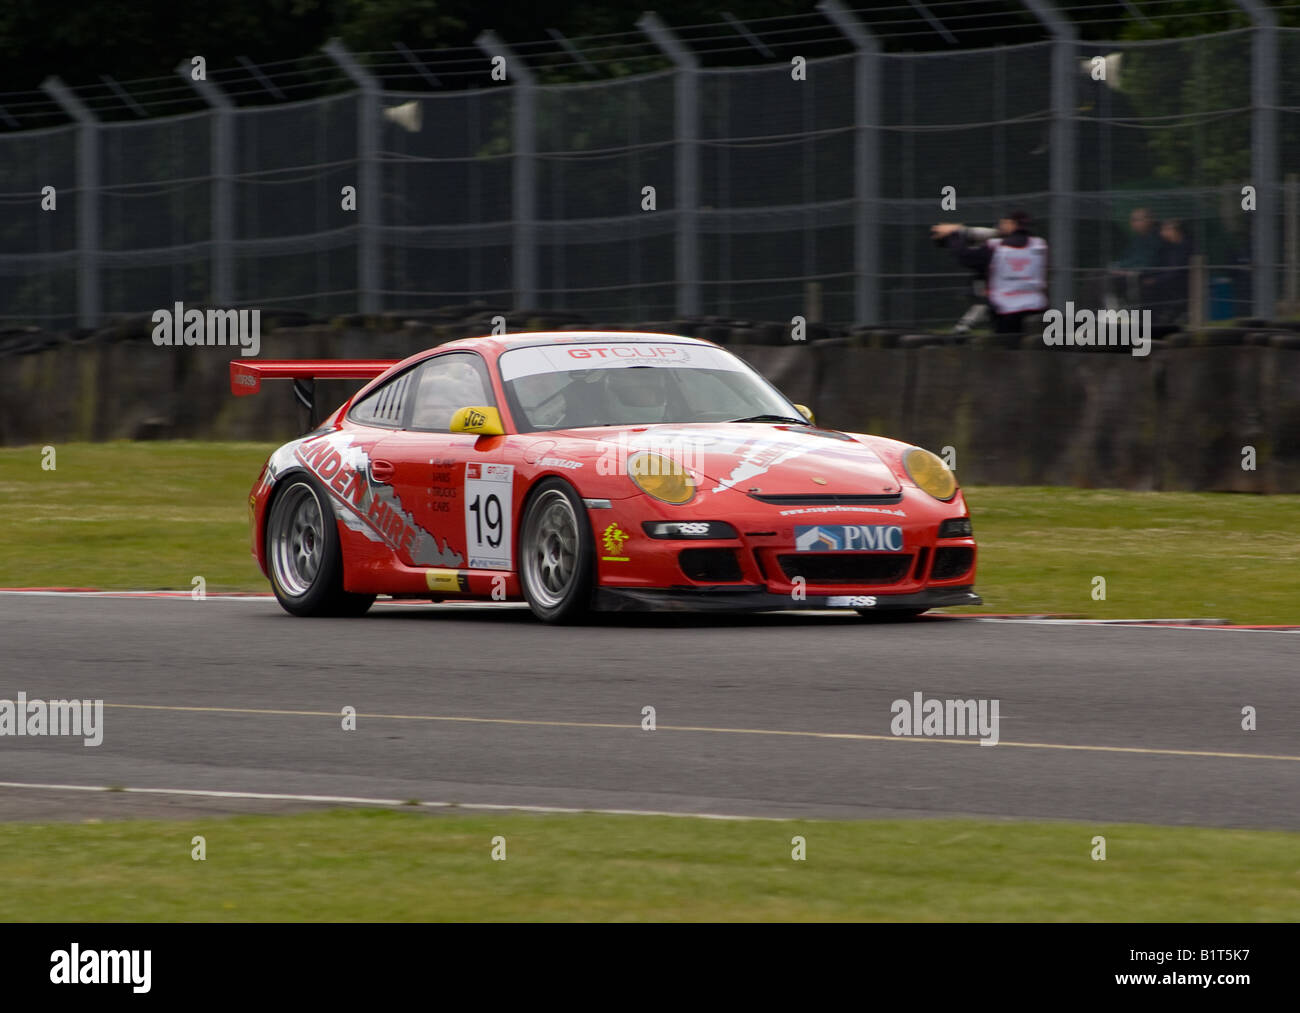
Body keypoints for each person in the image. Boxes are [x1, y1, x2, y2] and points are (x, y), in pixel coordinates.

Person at [932, 211, 1048, 334]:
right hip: (1036, 307)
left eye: (1003, 223)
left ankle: (963, 327)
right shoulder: (1040, 245)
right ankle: (965, 325)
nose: (999, 226)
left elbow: (965, 257)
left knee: (1005, 342)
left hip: (1005, 312)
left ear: (1011, 224)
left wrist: (954, 234)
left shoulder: (995, 247)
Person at [1107, 207, 1162, 310]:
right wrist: (1117, 266)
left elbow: (1149, 262)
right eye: (1132, 220)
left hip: (1144, 275)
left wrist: (1125, 269)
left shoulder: (1156, 238)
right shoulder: (1136, 239)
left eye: (1136, 220)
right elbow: (1126, 257)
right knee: (1096, 275)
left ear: (1148, 221)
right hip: (1127, 273)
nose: (1132, 223)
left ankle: (1114, 311)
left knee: (1108, 281)